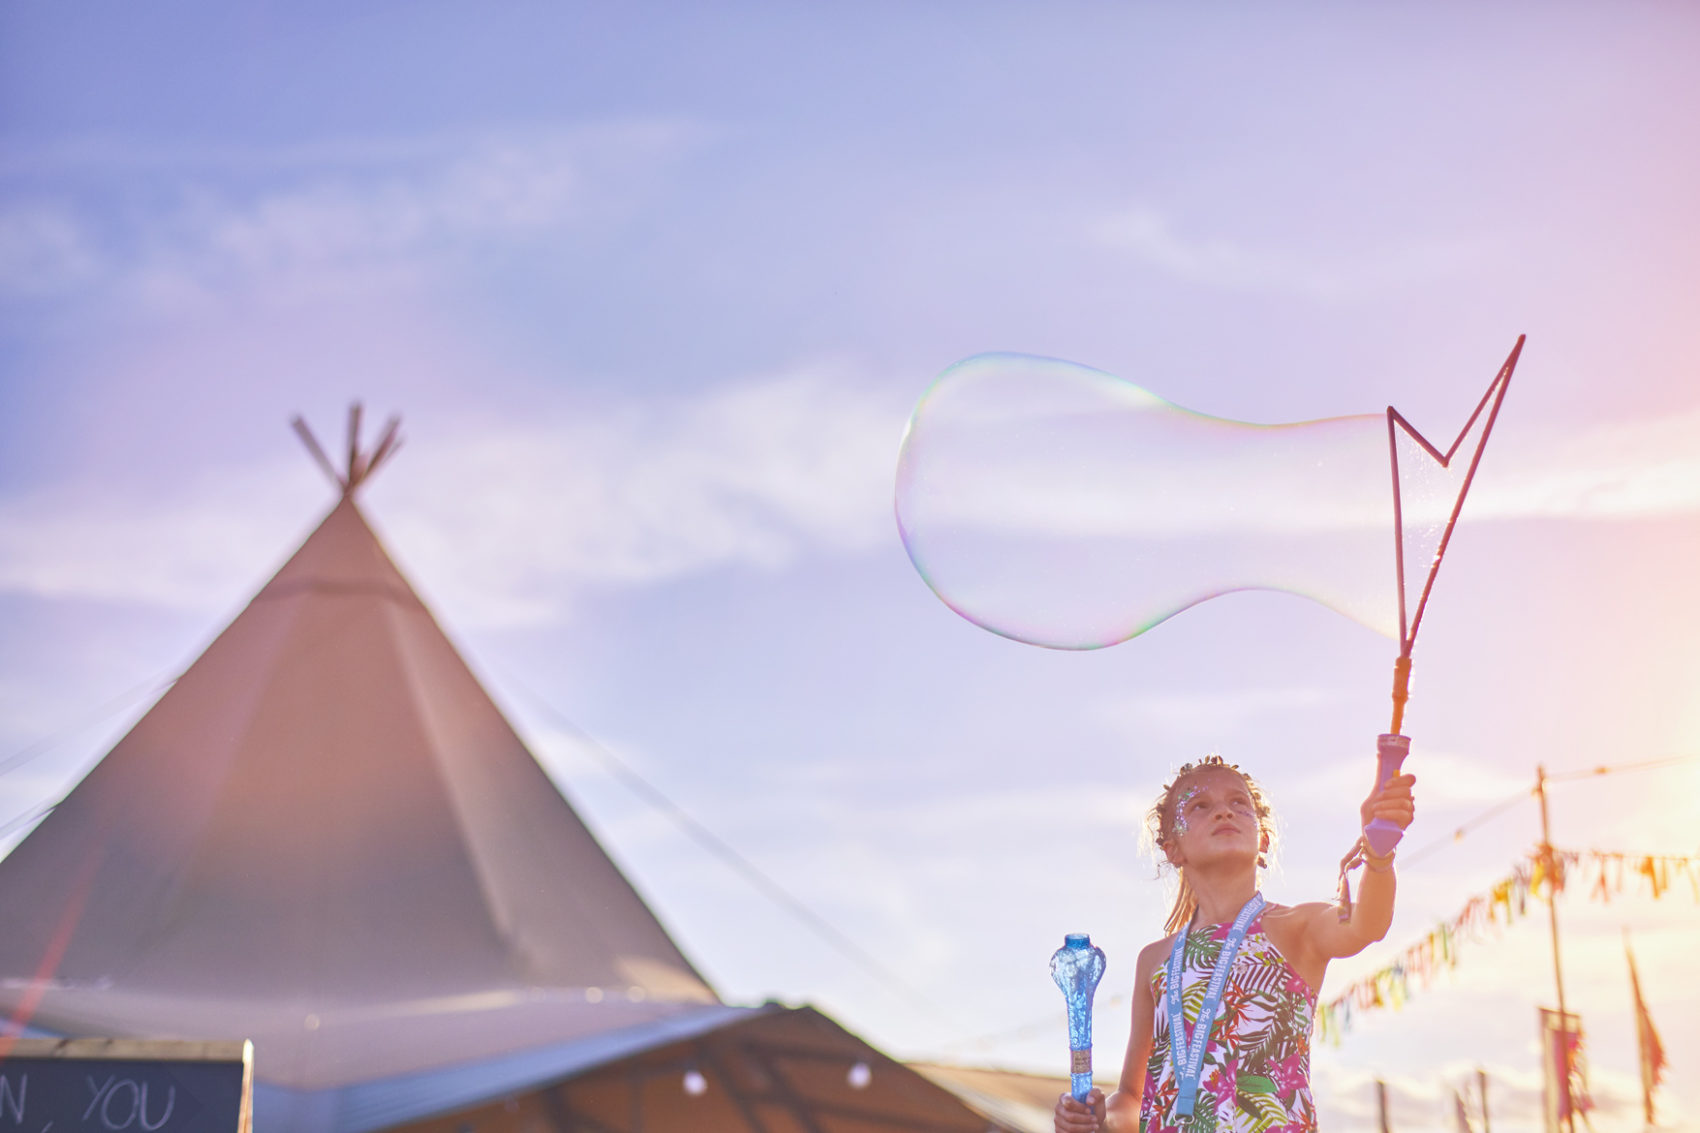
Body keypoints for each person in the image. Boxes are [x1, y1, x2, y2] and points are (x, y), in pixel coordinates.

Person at [1053, 754, 1416, 1132]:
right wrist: (1098, 1117)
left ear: (1264, 841)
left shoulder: (1296, 926)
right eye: (1200, 806)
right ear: (1172, 847)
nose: (1223, 813)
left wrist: (1380, 851)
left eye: (1239, 803)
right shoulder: (1155, 960)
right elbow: (1132, 1097)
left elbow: (1368, 922)